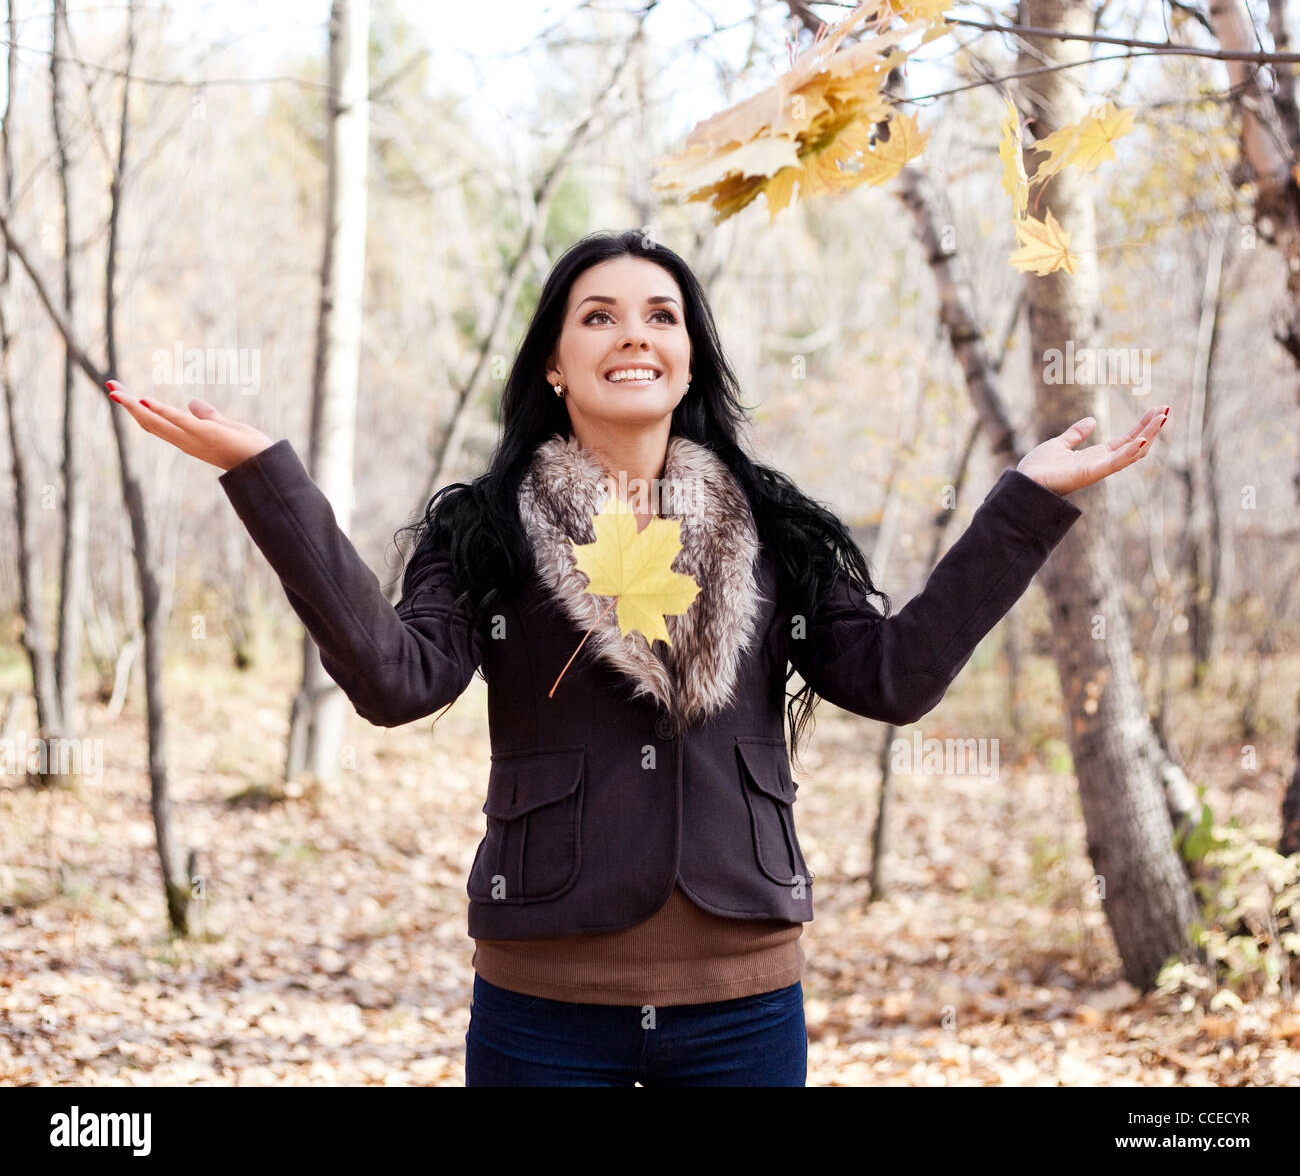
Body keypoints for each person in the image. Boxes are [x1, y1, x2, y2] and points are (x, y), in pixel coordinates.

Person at [106, 228, 1169, 1086]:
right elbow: (395, 682)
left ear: (690, 356)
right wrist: (265, 478)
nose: (634, 334)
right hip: (541, 1006)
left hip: (742, 1005)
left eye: (662, 316)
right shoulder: (485, 527)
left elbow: (892, 677)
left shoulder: (773, 525)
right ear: (556, 365)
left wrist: (1026, 502)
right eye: (599, 315)